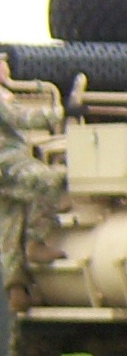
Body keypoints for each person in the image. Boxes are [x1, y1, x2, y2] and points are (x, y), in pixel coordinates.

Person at [0, 82, 66, 315]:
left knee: (11, 222)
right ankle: (35, 243)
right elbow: (20, 117)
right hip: (6, 162)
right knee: (49, 181)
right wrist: (60, 112)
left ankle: (16, 289)